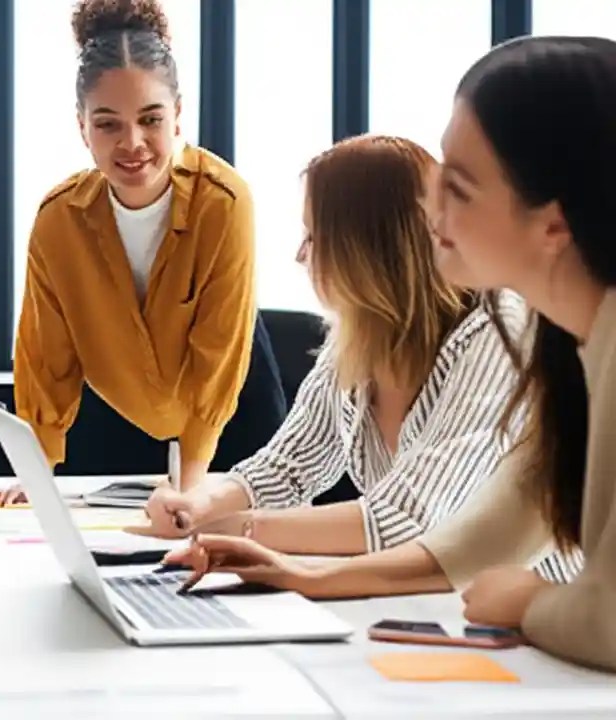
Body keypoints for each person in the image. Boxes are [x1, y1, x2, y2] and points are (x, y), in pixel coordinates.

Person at [168, 35, 616, 672]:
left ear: (554, 222)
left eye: (456, 188)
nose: (429, 211)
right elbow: (482, 537)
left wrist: (529, 600)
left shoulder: (531, 337)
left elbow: (606, 619)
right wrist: (303, 575)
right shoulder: (566, 343)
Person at [136, 135, 579, 581]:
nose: (299, 255)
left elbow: (408, 520)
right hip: (433, 600)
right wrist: (198, 505)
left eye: (313, 235)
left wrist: (236, 530)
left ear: (366, 248)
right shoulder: (360, 332)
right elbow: (289, 466)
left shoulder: (497, 331)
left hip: (543, 618)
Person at [0, 0, 257, 503]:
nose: (133, 143)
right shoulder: (59, 220)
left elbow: (217, 357)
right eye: (108, 124)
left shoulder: (223, 204)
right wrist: (36, 473)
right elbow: (46, 360)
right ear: (82, 127)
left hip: (230, 418)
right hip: (119, 412)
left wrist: (192, 488)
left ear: (178, 117)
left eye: (150, 119)